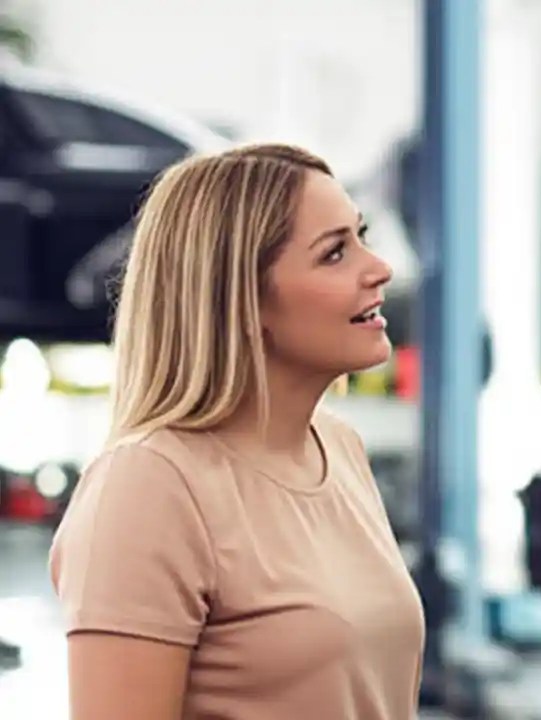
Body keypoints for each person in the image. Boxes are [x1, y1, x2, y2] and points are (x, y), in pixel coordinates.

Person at [47, 143, 427, 720]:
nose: (379, 268)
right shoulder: (149, 484)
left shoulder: (340, 448)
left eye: (362, 236)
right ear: (242, 300)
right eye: (334, 254)